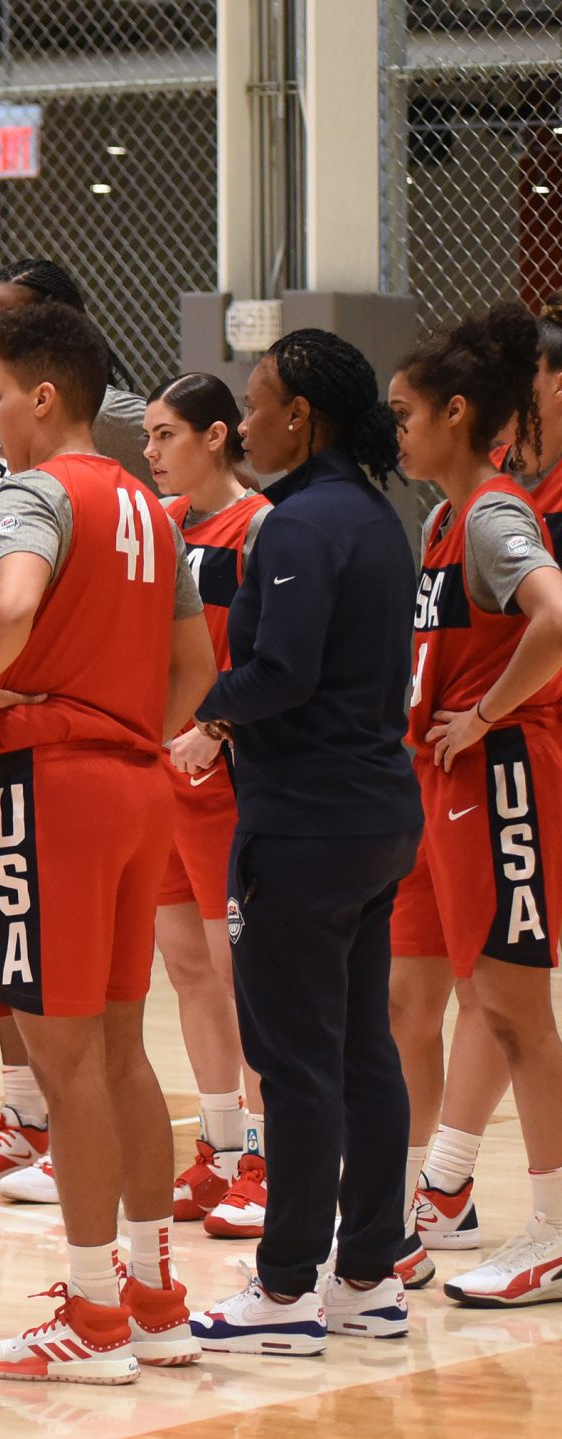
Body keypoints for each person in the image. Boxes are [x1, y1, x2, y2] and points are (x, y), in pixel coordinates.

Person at [0, 300, 215, 1384]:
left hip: (46, 788)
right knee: (120, 1049)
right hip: (134, 783)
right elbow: (195, 667)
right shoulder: (154, 511)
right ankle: (154, 1296)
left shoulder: (34, 490)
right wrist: (125, 724)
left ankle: (93, 1312)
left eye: (3, 396)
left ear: (44, 397)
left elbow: (10, 604)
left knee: (64, 1062)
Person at [187, 328, 429, 1341]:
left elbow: (280, 671)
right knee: (362, 1048)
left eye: (257, 399)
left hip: (305, 823)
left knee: (292, 1059)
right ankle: (368, 1273)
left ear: (303, 416)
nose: (244, 420)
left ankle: (284, 1284)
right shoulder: (378, 517)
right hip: (378, 815)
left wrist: (204, 715)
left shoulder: (294, 526)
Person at [0, 258, 151, 1201]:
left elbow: (40, 584)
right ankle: (26, 1121)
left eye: (2, 341)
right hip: (83, 734)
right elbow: (2, 566)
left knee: (84, 1016)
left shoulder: (124, 431)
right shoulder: (9, 436)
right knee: (12, 937)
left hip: (49, 725)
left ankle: (96, 1293)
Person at [374, 305, 562, 1310]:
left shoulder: (492, 512)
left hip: (500, 779)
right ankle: (412, 1204)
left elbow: (556, 617)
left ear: (457, 413)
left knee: (514, 1008)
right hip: (442, 785)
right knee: (415, 995)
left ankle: (555, 1226)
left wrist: (486, 710)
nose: (394, 428)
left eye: (405, 412)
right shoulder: (444, 518)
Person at [143, 373, 273, 1241]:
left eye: (164, 435)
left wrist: (218, 732)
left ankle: (270, 1155)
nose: (149, 452)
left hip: (228, 780)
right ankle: (221, 1146)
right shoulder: (159, 530)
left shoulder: (260, 526)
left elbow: (274, 654)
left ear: (217, 436)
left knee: (242, 978)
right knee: (187, 968)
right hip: (160, 778)